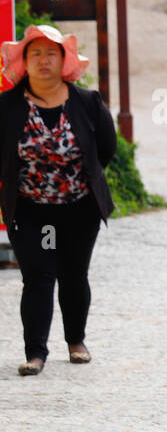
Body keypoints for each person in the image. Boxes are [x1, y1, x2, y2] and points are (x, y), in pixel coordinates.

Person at [0, 25, 116, 376]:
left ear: (64, 61)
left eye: (52, 53)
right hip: (31, 210)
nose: (44, 60)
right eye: (35, 54)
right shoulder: (6, 106)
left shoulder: (87, 102)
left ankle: (76, 340)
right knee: (37, 276)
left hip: (79, 210)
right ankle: (35, 353)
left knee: (73, 274)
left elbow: (106, 149)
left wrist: (74, 181)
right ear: (24, 62)